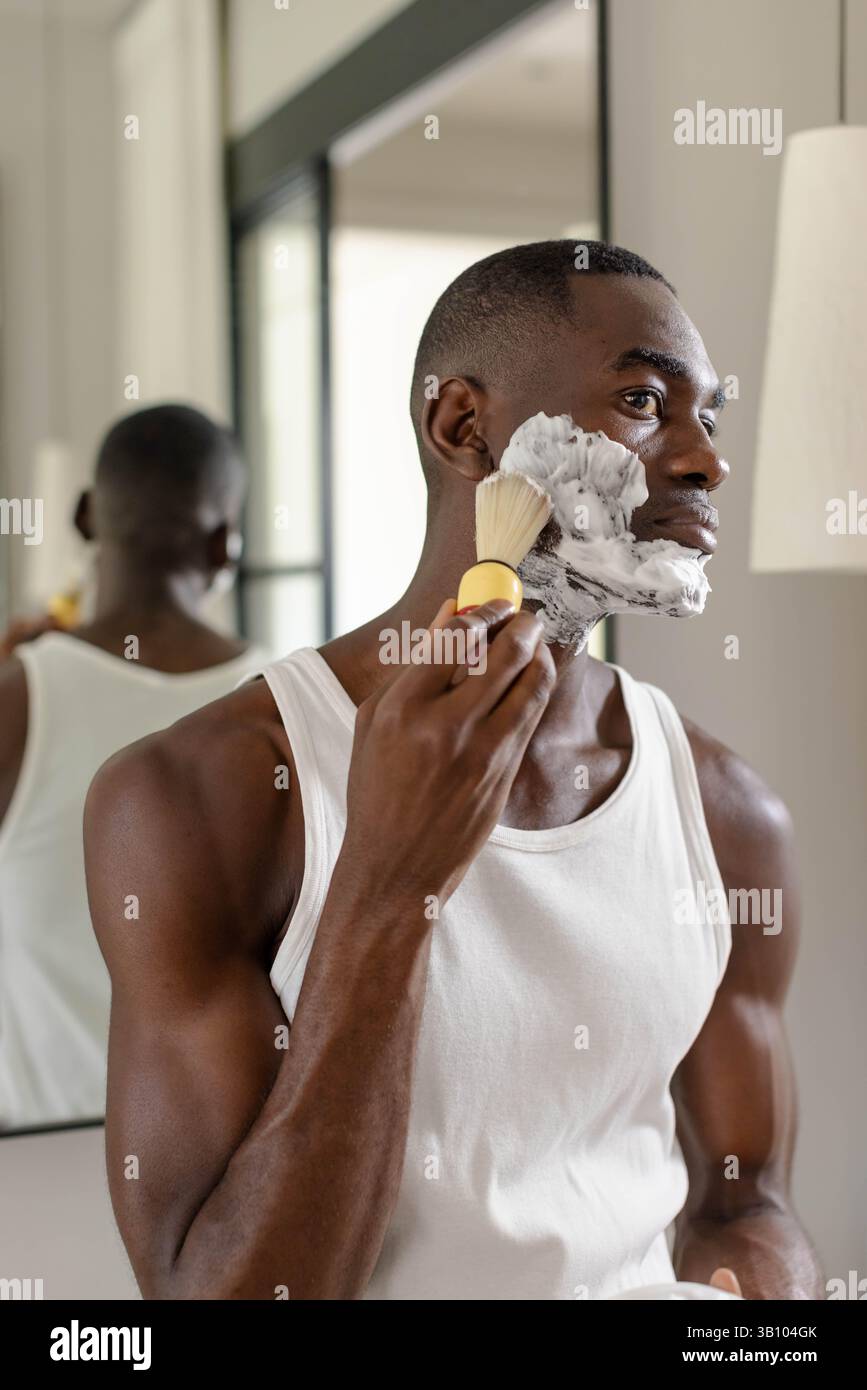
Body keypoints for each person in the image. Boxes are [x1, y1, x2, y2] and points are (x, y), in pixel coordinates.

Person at [84, 244, 822, 1300]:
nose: (705, 460)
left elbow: (748, 1206)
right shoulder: (206, 793)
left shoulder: (724, 810)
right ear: (464, 428)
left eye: (710, 419)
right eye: (645, 399)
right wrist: (389, 883)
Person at [0, 403, 268, 1129]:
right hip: (216, 1167)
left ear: (86, 516)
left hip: (30, 1167)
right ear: (223, 547)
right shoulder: (284, 702)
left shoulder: (18, 698)